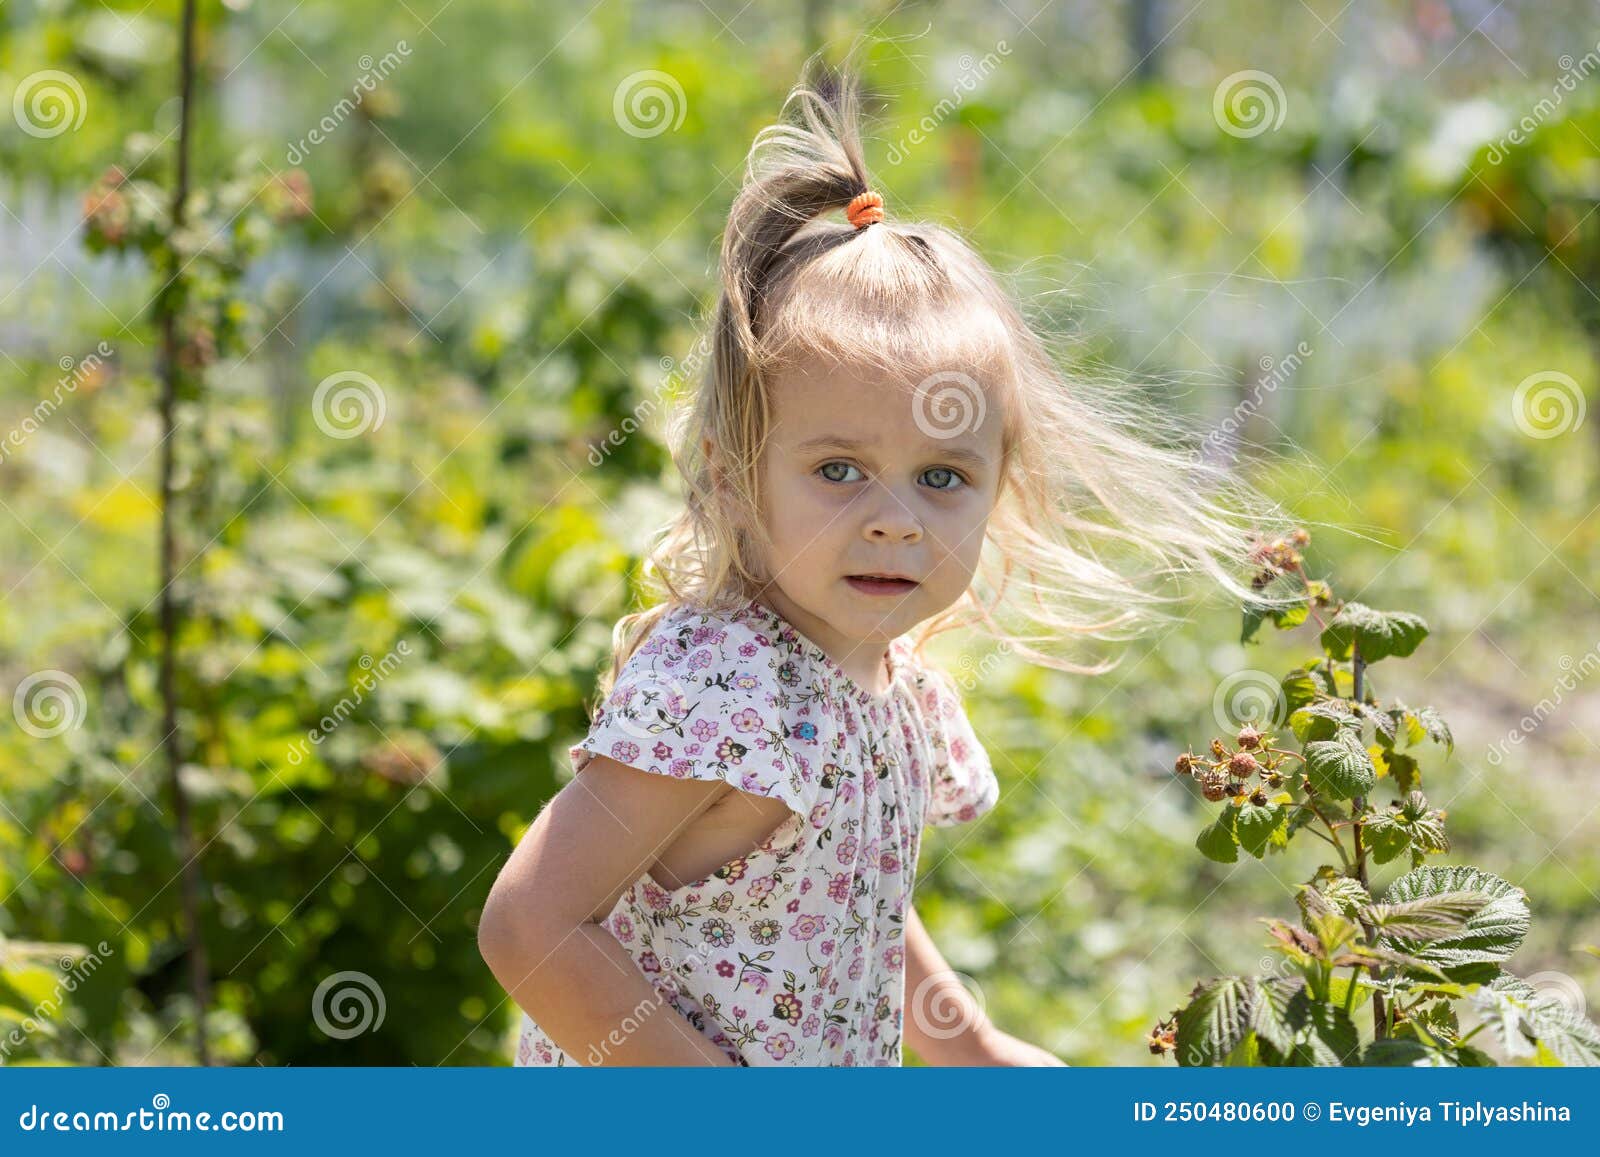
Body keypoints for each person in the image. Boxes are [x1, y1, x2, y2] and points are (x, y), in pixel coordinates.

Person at [477, 63, 1289, 1067]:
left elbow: (852, 900)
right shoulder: (723, 685)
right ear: (735, 480)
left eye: (942, 476)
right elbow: (530, 926)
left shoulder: (886, 687)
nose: (895, 521)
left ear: (1000, 486)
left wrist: (971, 1048)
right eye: (838, 470)